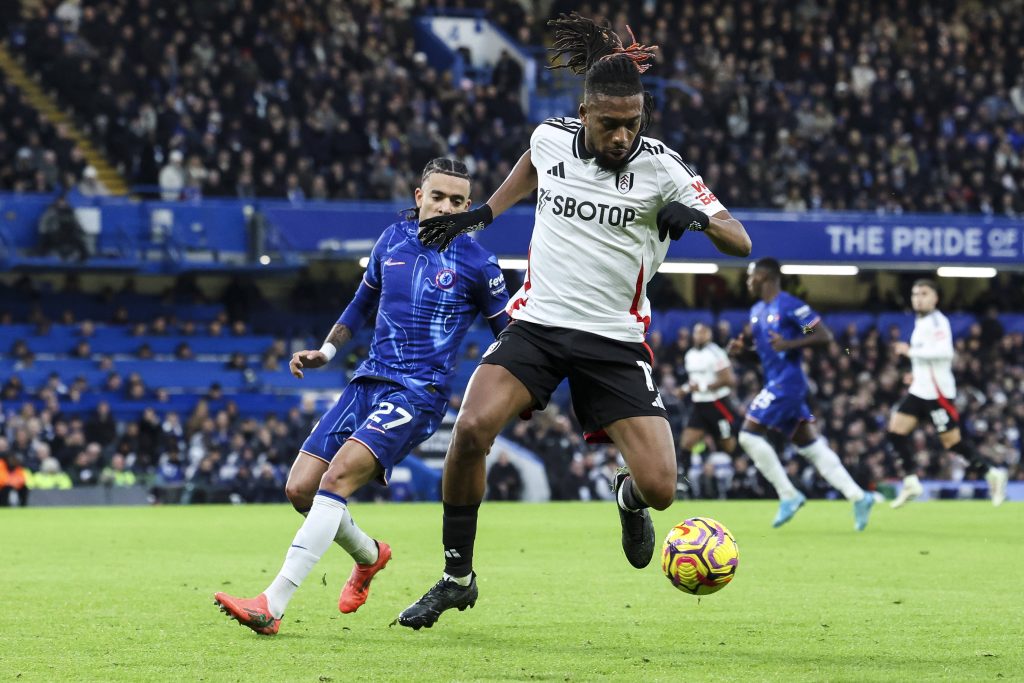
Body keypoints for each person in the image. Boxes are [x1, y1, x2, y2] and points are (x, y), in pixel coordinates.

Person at [396, 14, 751, 630]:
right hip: (538, 324)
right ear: (584, 111)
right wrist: (480, 213)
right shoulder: (551, 138)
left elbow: (740, 241)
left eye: (633, 124)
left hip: (614, 338)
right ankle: (457, 577)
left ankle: (628, 496)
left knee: (663, 488)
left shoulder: (664, 168)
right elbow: (530, 167)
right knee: (472, 431)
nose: (622, 136)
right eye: (610, 123)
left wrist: (693, 217)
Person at [213, 158, 510, 635]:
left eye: (457, 201)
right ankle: (370, 556)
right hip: (368, 380)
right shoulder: (391, 240)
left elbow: (507, 336)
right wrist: (328, 350)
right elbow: (361, 301)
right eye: (438, 196)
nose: (446, 206)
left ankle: (272, 602)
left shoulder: (478, 263)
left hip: (418, 393)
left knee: (337, 479)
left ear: (468, 208)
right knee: (300, 489)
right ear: (419, 197)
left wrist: (508, 399)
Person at [728, 258, 874, 530]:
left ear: (764, 276)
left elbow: (821, 334)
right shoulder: (757, 311)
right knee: (811, 447)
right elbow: (765, 355)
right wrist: (742, 355)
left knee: (748, 435)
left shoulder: (789, 306)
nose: (747, 281)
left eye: (750, 276)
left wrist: (791, 342)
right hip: (775, 380)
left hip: (788, 383)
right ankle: (859, 496)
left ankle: (789, 494)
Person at [886, 279, 1008, 508]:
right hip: (920, 389)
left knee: (952, 443)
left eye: (924, 293)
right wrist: (915, 373)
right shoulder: (920, 321)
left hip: (938, 393)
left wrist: (911, 352)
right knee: (895, 431)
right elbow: (927, 358)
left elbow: (944, 352)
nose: (918, 298)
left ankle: (992, 473)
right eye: (915, 294)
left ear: (935, 298)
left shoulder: (937, 321)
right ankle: (911, 481)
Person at [679, 322, 740, 493]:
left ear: (709, 335)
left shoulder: (716, 353)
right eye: (696, 332)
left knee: (728, 445)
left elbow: (729, 380)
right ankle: (683, 482)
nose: (699, 335)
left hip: (717, 404)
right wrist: (684, 389)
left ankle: (742, 474)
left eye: (702, 332)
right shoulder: (689, 354)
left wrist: (703, 387)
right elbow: (694, 380)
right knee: (686, 442)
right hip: (699, 404)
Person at [37, 194, 89, 261]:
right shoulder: (52, 211)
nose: (62, 203)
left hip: (69, 234)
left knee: (79, 240)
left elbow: (77, 223)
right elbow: (43, 221)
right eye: (60, 201)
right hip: (55, 233)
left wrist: (81, 230)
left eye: (64, 201)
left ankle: (84, 257)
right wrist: (43, 232)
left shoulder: (70, 212)